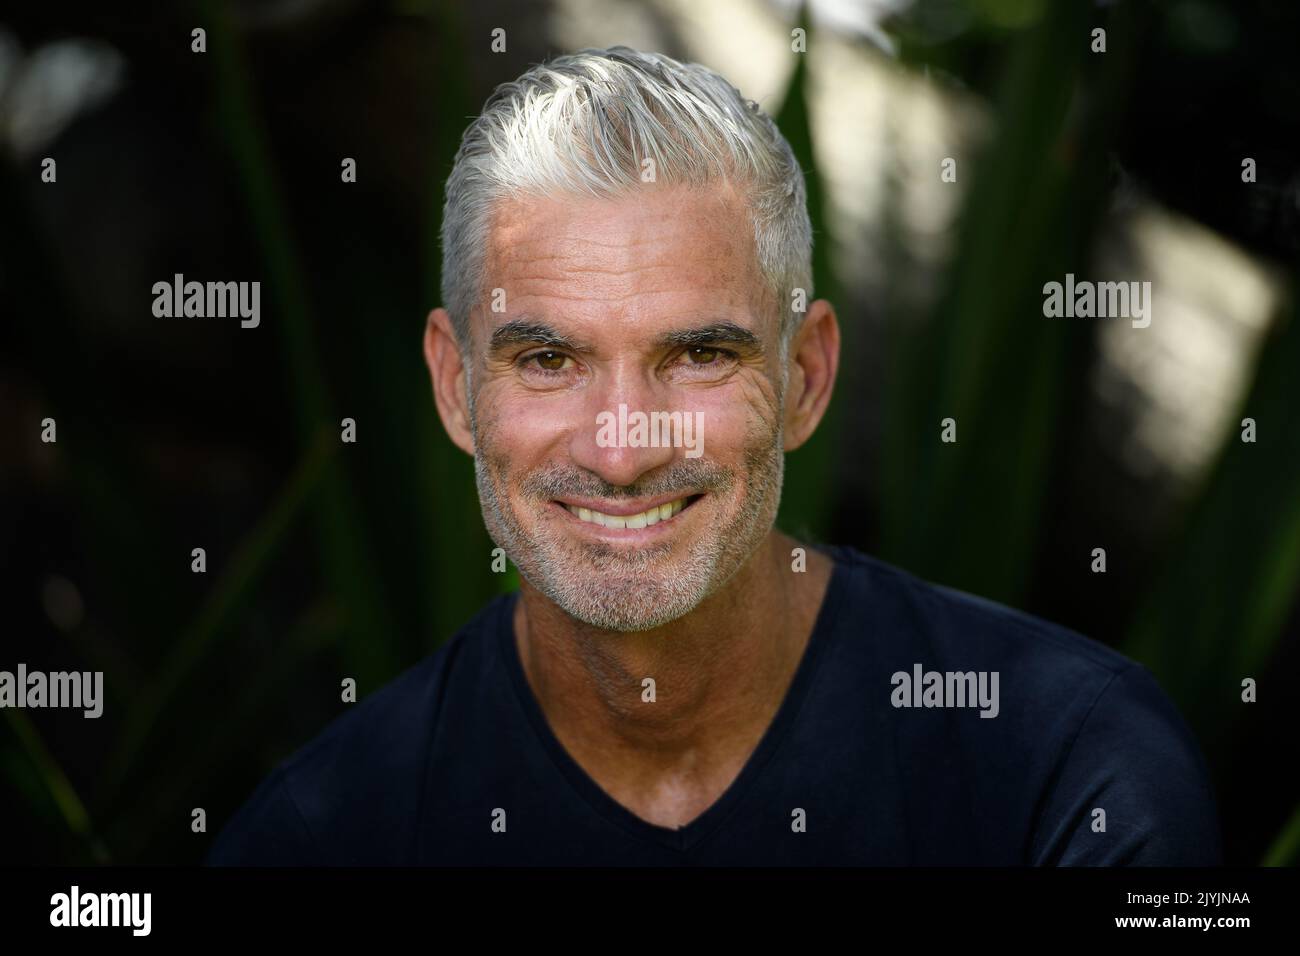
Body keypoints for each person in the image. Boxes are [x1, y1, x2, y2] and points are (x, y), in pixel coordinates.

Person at [206, 47, 1220, 866]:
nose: (619, 448)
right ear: (453, 385)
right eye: (549, 358)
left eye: (696, 354)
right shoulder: (322, 833)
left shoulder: (1070, 770)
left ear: (805, 377)